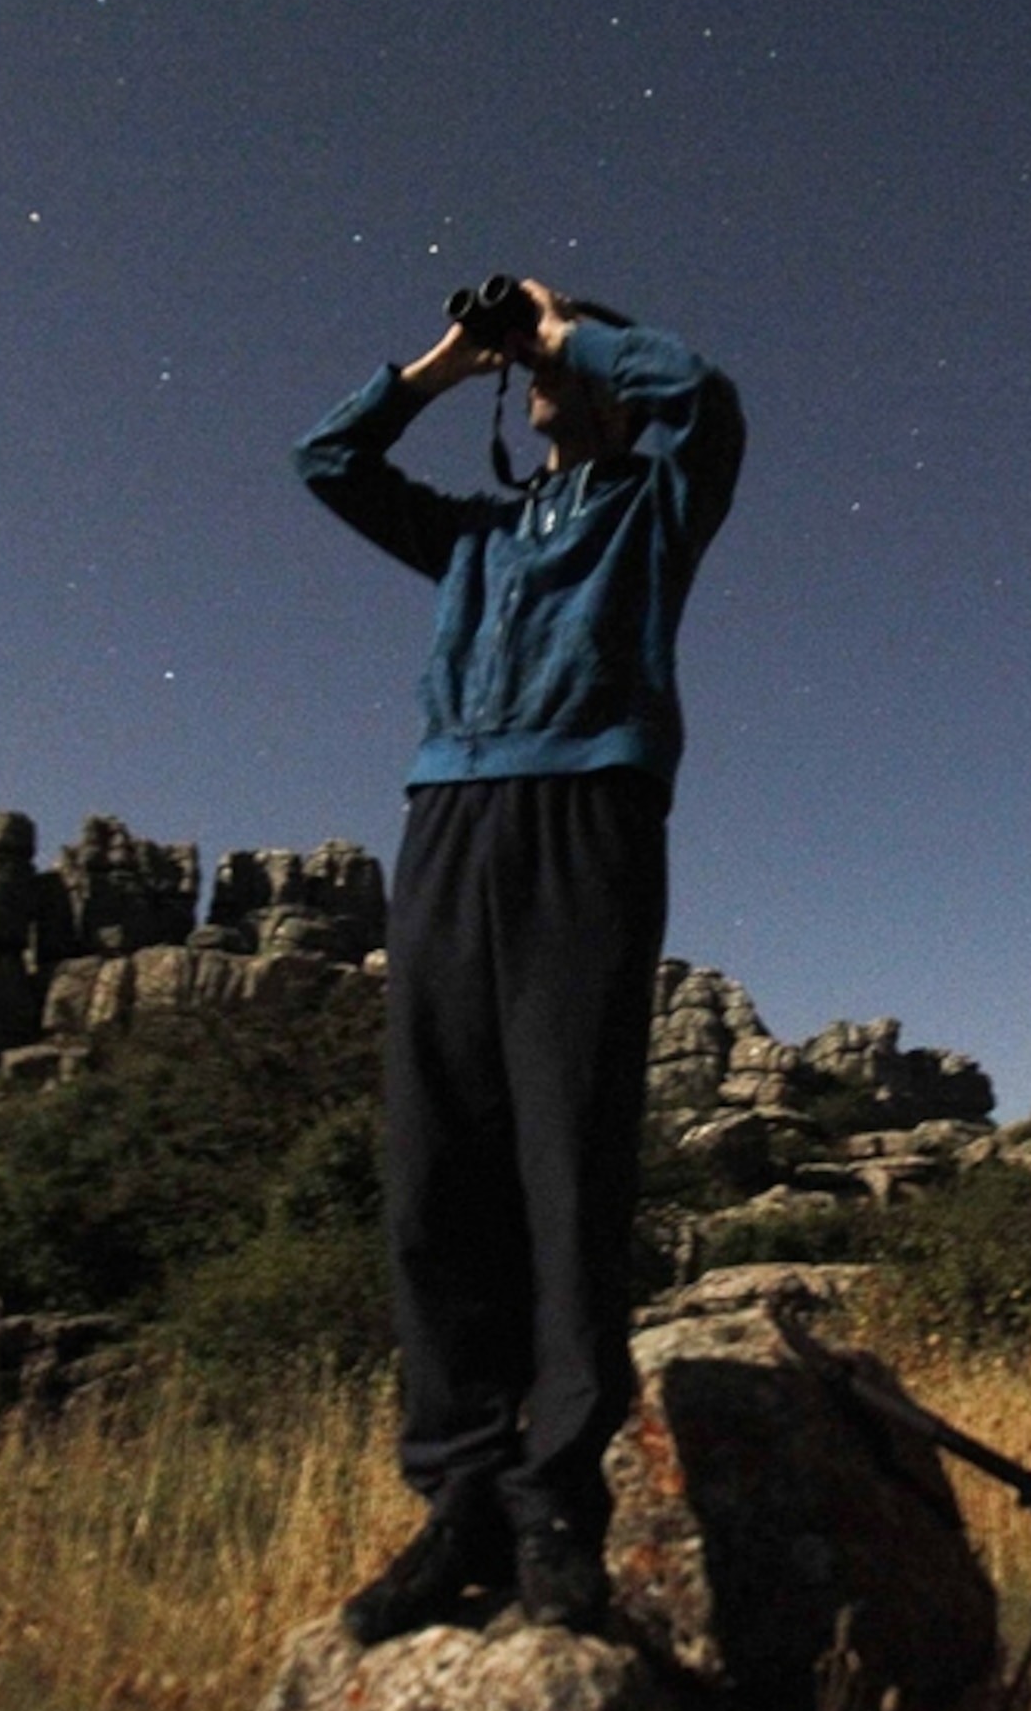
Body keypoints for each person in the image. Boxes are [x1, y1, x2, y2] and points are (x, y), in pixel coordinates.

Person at [295, 279, 745, 1640]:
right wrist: (437, 366)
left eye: (555, 351)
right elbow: (326, 462)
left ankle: (555, 1500)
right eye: (533, 349)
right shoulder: (477, 539)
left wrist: (566, 326)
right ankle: (460, 1499)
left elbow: (706, 401)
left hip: (586, 811)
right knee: (436, 1169)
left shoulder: (653, 509)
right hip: (447, 819)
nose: (534, 364)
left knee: (564, 1160)